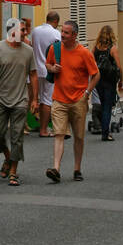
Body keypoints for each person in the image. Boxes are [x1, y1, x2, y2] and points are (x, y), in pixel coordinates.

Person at [45, 19, 99, 183]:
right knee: (59, 134)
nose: (62, 35)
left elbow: (96, 74)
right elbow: (47, 64)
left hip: (78, 100)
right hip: (59, 99)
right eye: (62, 31)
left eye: (66, 33)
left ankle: (77, 169)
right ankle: (56, 168)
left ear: (74, 35)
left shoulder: (84, 53)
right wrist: (52, 68)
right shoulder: (55, 48)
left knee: (79, 137)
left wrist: (87, 92)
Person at [0, 19, 38, 185]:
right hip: (0, 99)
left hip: (20, 100)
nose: (25, 33)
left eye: (25, 30)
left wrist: (34, 99)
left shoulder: (28, 51)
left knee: (17, 137)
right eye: (22, 30)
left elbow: (33, 75)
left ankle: (13, 171)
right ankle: (8, 157)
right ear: (12, 32)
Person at [32, 10, 61, 137]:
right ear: (55, 22)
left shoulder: (35, 31)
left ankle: (34, 124)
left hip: (35, 69)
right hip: (48, 70)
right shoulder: (55, 33)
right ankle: (43, 129)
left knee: (36, 98)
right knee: (47, 100)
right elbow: (59, 51)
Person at [92, 25, 122, 141]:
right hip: (109, 81)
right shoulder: (113, 49)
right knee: (107, 107)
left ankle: (103, 129)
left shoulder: (96, 48)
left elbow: (90, 60)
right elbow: (119, 67)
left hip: (98, 80)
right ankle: (105, 133)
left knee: (104, 104)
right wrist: (121, 80)